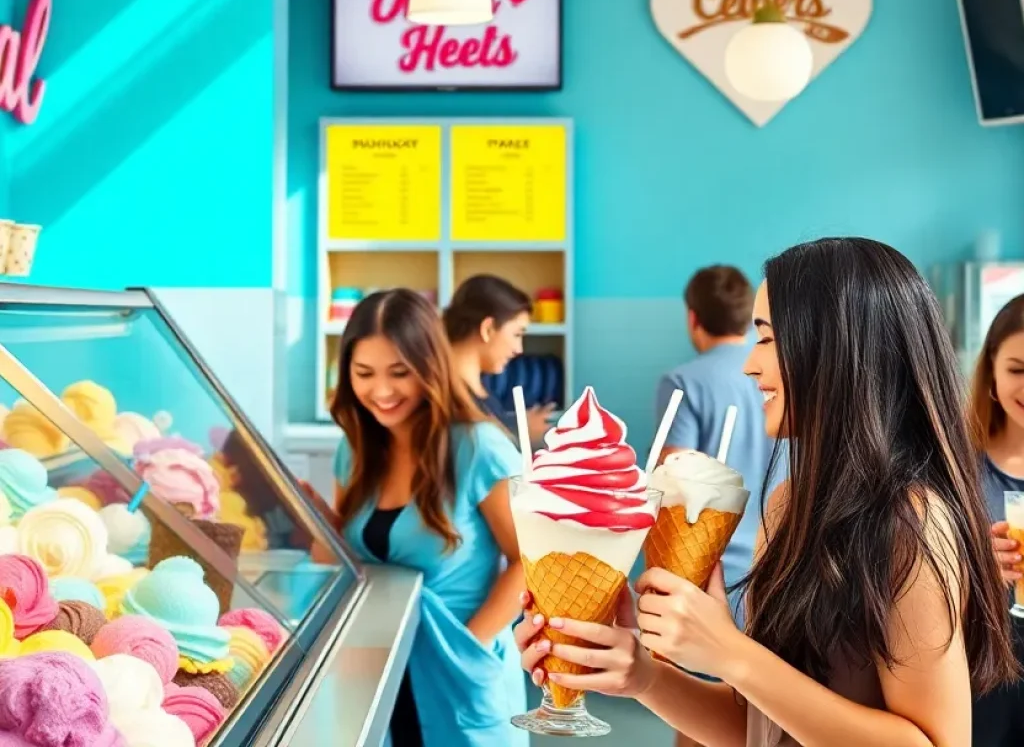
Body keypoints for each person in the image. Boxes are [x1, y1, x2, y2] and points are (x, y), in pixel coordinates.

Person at [516, 238, 1017, 746]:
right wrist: (640, 675)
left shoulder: (912, 519)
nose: (749, 365)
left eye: (767, 339)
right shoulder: (786, 505)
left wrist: (730, 651)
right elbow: (760, 727)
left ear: (836, 348)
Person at [323, 288, 526, 746]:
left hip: (461, 672)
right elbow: (339, 555)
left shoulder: (479, 448)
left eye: (400, 372)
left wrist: (469, 645)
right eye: (364, 373)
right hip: (377, 672)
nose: (381, 390)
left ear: (431, 367)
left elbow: (530, 562)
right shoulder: (353, 450)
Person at [654, 266, 779, 611]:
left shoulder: (682, 383)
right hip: (782, 569)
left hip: (708, 575)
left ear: (693, 319)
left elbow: (674, 477)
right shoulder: (782, 376)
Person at [969, 294, 1024, 743]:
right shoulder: (955, 465)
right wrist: (974, 566)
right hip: (981, 675)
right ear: (991, 371)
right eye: (1018, 370)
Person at [444, 274, 555, 449]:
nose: (519, 349)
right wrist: (521, 435)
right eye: (517, 334)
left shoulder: (476, 392)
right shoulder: (449, 400)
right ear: (487, 329)